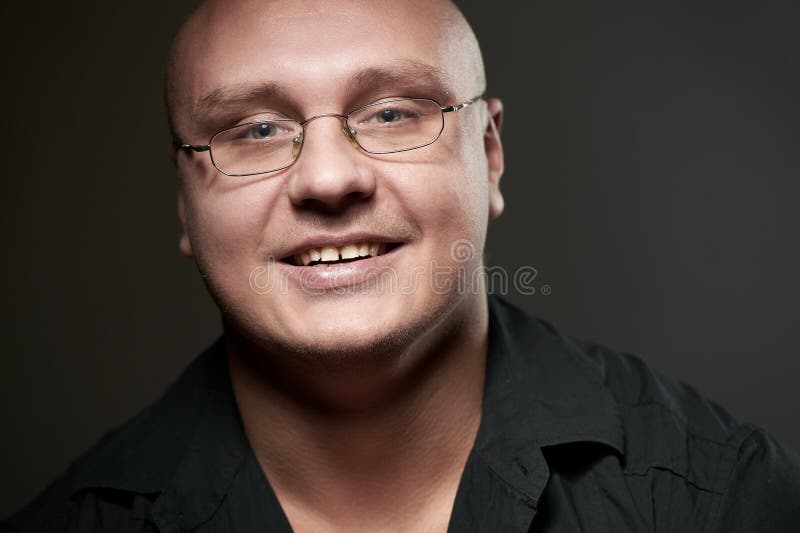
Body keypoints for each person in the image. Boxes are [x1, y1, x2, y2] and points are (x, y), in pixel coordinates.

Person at [4, 0, 799, 531]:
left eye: (390, 113)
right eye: (253, 129)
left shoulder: (730, 499)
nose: (326, 179)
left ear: (489, 156)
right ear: (185, 203)